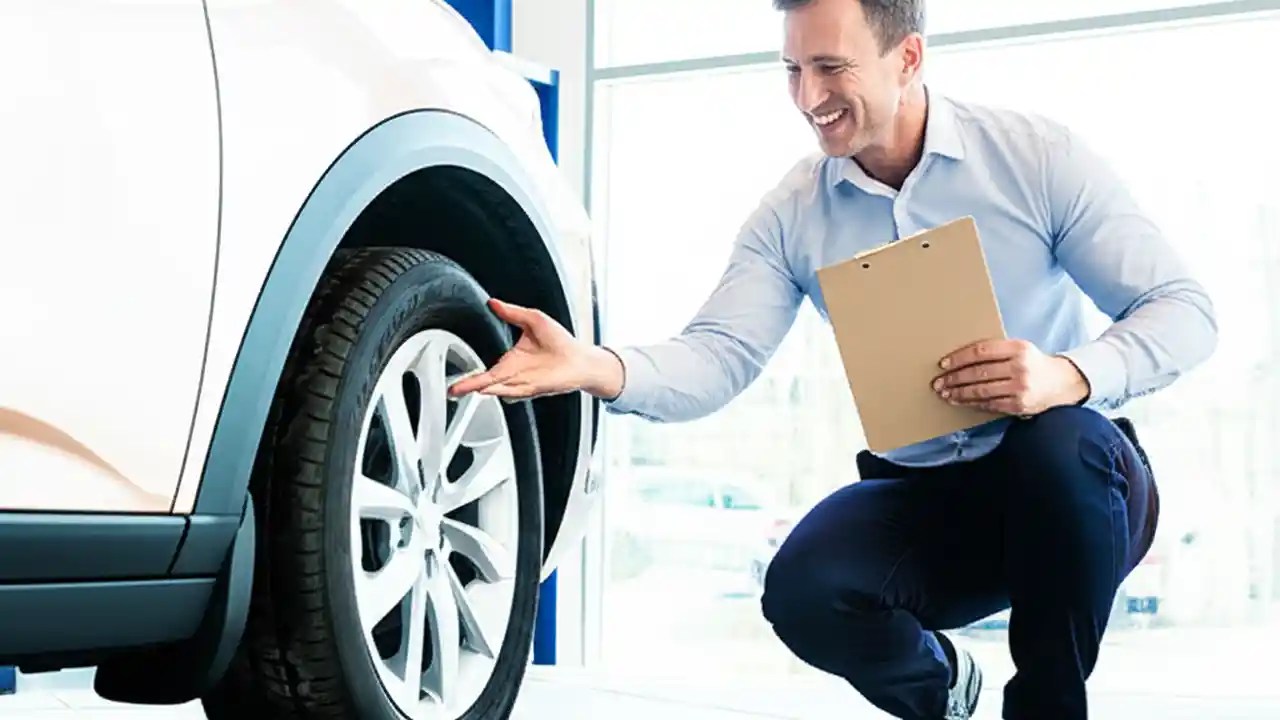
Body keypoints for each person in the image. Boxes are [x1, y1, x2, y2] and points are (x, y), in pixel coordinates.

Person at [449, 0, 1219, 717]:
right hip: (933, 501)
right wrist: (594, 366)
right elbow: (718, 354)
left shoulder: (1036, 161)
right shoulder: (793, 215)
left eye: (831, 67)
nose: (806, 94)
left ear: (907, 57)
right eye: (793, 69)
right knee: (803, 590)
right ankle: (945, 686)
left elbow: (1185, 311)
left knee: (1058, 439)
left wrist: (1068, 374)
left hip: (1075, 495)